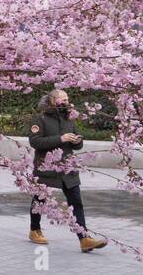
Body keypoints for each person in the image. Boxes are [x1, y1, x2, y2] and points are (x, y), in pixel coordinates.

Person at [29, 89, 107, 252]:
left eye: (67, 99)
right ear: (53, 100)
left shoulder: (70, 118)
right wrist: (60, 139)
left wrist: (77, 141)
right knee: (40, 200)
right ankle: (34, 230)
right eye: (63, 99)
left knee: (76, 201)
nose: (66, 101)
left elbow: (77, 144)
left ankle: (84, 239)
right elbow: (35, 142)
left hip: (67, 167)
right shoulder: (40, 118)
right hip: (46, 167)